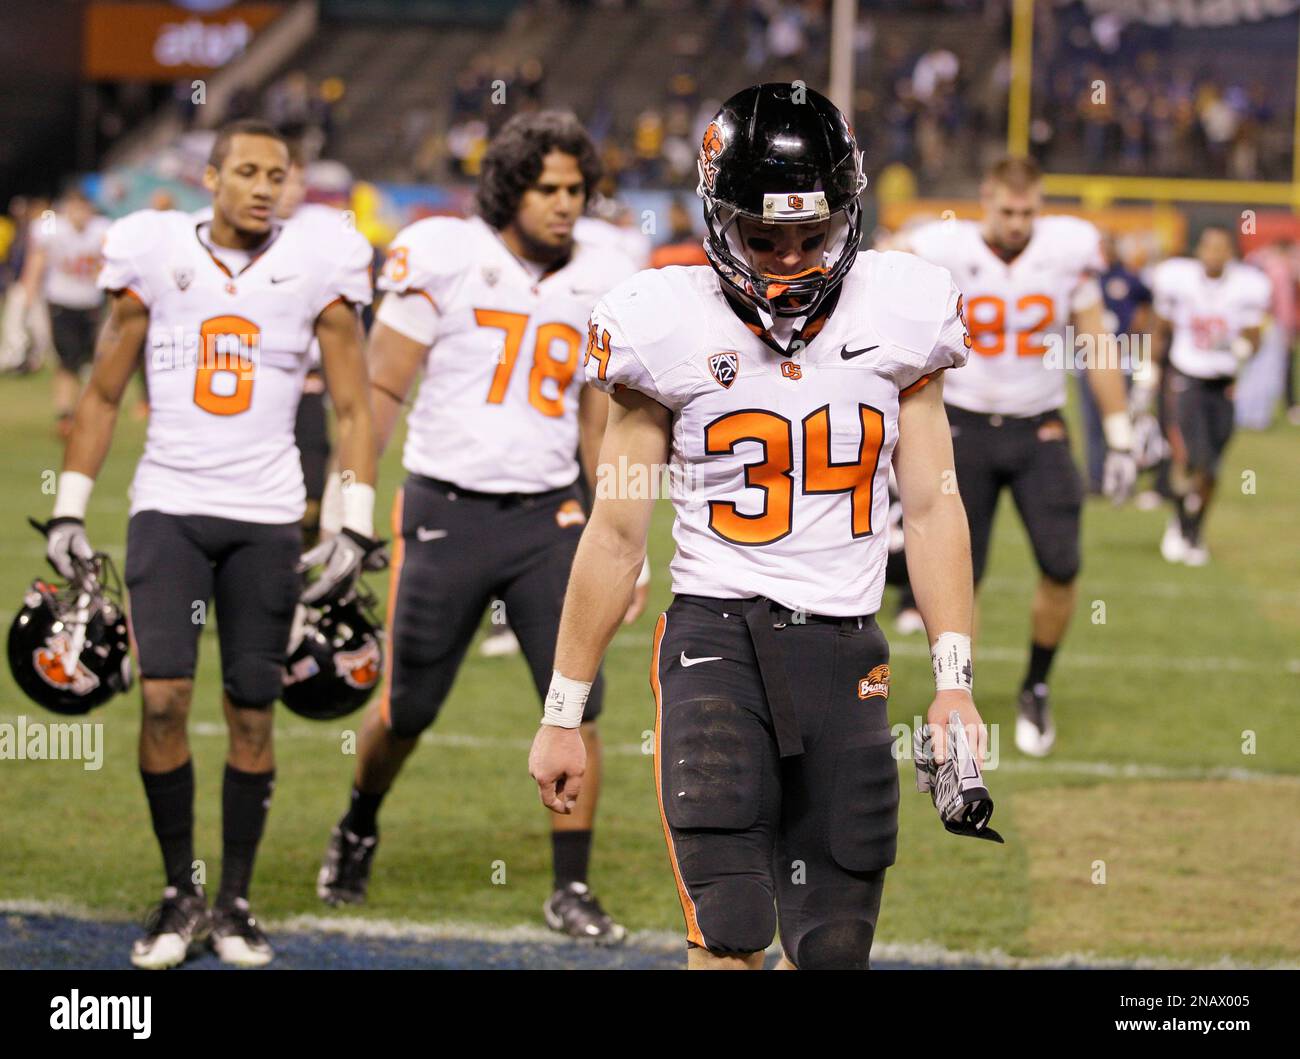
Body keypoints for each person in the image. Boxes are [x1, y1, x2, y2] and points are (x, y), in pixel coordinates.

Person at [529, 83, 989, 970]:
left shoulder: (900, 307)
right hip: (716, 640)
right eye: (763, 238)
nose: (788, 260)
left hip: (849, 652)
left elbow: (933, 509)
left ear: (846, 214)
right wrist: (563, 709)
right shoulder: (661, 322)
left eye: (811, 237)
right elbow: (617, 532)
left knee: (832, 949)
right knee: (733, 925)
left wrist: (955, 679)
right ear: (716, 217)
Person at [40, 119, 378, 968]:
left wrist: (354, 518)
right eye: (249, 171)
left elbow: (353, 407)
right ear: (213, 177)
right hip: (170, 506)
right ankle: (176, 890)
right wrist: (72, 508)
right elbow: (106, 392)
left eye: (279, 173)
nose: (265, 186)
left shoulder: (320, 262)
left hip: (266, 517)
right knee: (159, 699)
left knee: (251, 713)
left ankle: (233, 898)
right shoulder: (154, 251)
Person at [315, 111, 640, 943]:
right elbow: (381, 390)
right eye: (548, 189)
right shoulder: (445, 254)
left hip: (548, 517)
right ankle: (359, 820)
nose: (567, 204)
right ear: (510, 189)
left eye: (576, 189)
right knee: (408, 706)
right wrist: (346, 504)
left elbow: (599, 425)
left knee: (576, 702)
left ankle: (571, 885)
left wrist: (624, 543)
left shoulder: (605, 271)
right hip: (444, 509)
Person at [898, 157, 1137, 757]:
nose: (1016, 223)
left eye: (1028, 212)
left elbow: (1096, 341)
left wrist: (1120, 430)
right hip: (962, 428)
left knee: (1061, 564)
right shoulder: (940, 245)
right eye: (1006, 211)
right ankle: (956, 697)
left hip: (1040, 429)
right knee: (959, 573)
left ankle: (1035, 684)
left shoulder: (1067, 250)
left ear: (1041, 206)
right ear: (985, 200)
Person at [1151, 224, 1270, 566]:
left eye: (1220, 248)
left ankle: (1194, 528)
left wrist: (1244, 346)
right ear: (1199, 249)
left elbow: (1254, 336)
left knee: (1213, 466)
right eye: (1208, 247)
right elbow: (1160, 327)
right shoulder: (1178, 278)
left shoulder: (1248, 286)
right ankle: (1181, 522)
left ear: (1230, 253)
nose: (1213, 255)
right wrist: (1150, 370)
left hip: (1224, 384)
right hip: (1187, 377)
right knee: (1191, 456)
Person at [19, 188, 111, 435]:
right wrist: (28, 293)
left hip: (91, 303)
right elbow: (37, 258)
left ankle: (82, 411)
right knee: (67, 359)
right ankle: (65, 413)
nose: (80, 214)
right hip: (60, 301)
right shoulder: (51, 229)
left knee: (89, 361)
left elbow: (110, 264)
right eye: (75, 208)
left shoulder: (101, 229)